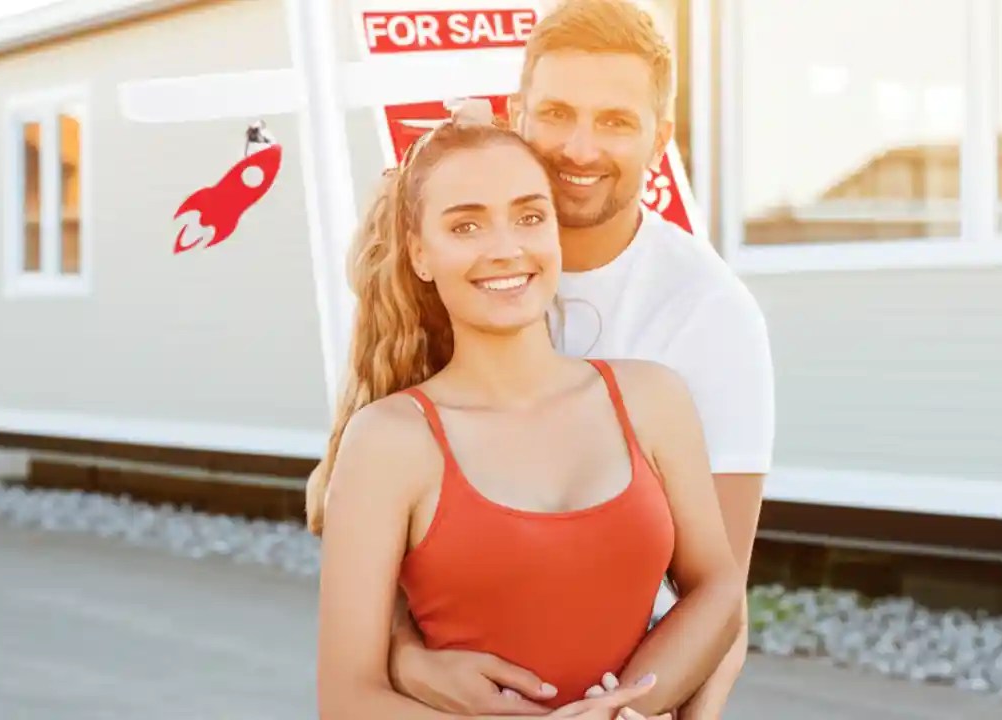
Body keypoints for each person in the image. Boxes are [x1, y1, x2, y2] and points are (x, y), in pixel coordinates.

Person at [383, 1, 776, 718]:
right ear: (516, 113)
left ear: (660, 140)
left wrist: (625, 710)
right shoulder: (449, 276)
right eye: (558, 113)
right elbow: (376, 549)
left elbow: (719, 599)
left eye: (616, 122)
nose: (582, 149)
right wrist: (410, 662)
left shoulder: (710, 317)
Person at [309, 107, 743, 719]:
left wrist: (625, 705)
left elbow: (719, 589)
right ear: (420, 254)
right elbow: (347, 699)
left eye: (530, 216)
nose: (506, 248)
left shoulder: (653, 400)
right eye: (466, 227)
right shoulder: (389, 440)